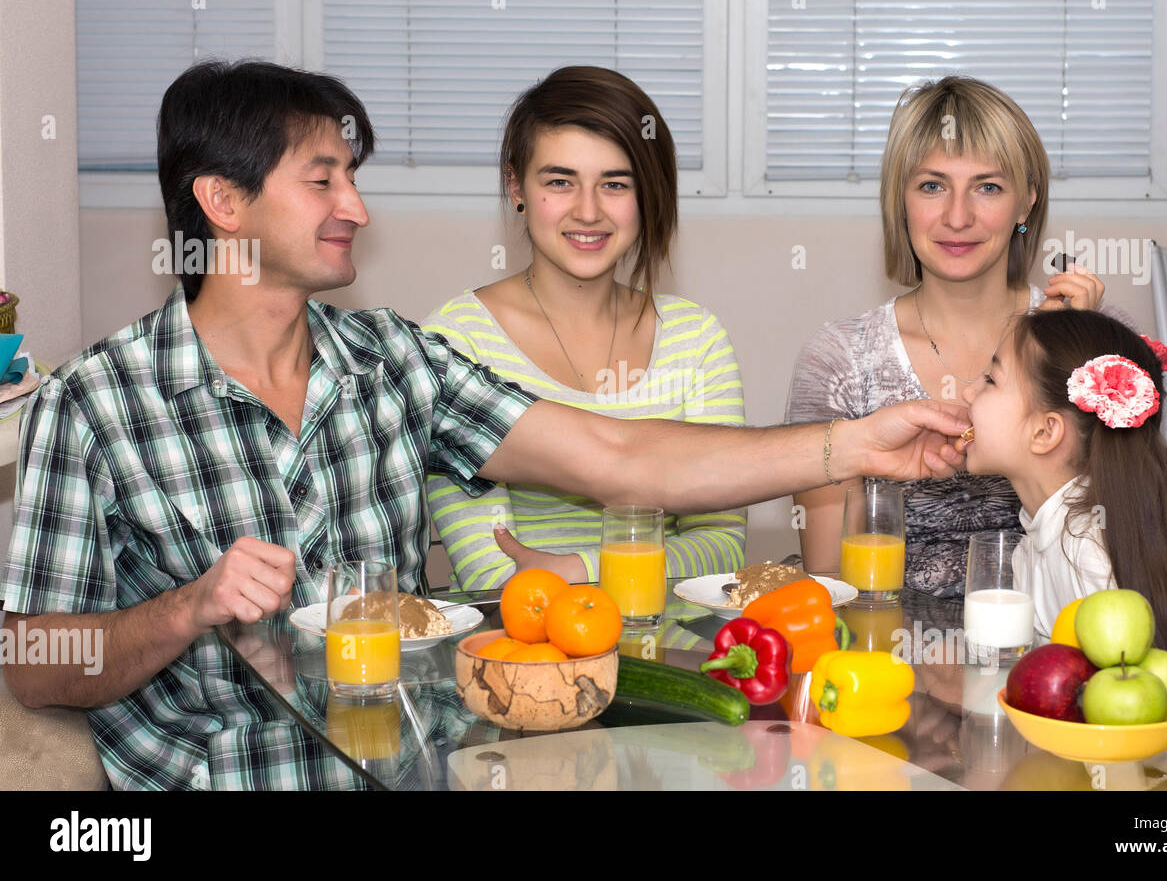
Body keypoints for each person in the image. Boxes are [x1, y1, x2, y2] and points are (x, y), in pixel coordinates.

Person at [0, 60, 971, 790]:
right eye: (324, 179)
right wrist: (187, 607)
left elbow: (617, 454)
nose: (357, 207)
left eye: (353, 176)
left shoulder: (393, 361)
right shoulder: (94, 403)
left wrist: (849, 442)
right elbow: (35, 662)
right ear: (221, 200)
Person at [787, 75, 1112, 598]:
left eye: (988, 187)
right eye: (932, 186)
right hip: (888, 659)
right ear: (902, 200)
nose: (957, 217)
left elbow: (1119, 542)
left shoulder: (1089, 343)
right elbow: (831, 581)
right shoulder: (839, 358)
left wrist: (1079, 357)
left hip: (1057, 651)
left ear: (1026, 203)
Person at [423, 66, 745, 590]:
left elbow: (721, 547)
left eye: (615, 184)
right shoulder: (455, 342)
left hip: (669, 650)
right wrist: (636, 565)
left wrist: (580, 568)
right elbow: (494, 571)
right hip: (520, 653)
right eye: (559, 182)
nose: (588, 211)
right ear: (516, 186)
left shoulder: (696, 336)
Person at [962, 309, 1167, 735]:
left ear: (1045, 433)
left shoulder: (1086, 554)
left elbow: (1133, 722)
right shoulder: (1051, 531)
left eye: (990, 380)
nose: (968, 391)